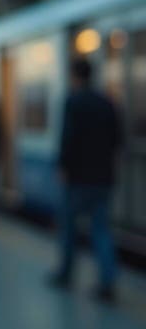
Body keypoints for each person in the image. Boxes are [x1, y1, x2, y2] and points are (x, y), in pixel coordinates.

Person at [49, 59, 121, 302]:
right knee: (101, 230)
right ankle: (107, 283)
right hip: (104, 178)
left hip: (77, 179)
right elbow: (116, 139)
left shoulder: (73, 101)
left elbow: (67, 139)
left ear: (74, 76)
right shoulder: (107, 102)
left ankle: (66, 274)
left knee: (69, 228)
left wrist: (62, 167)